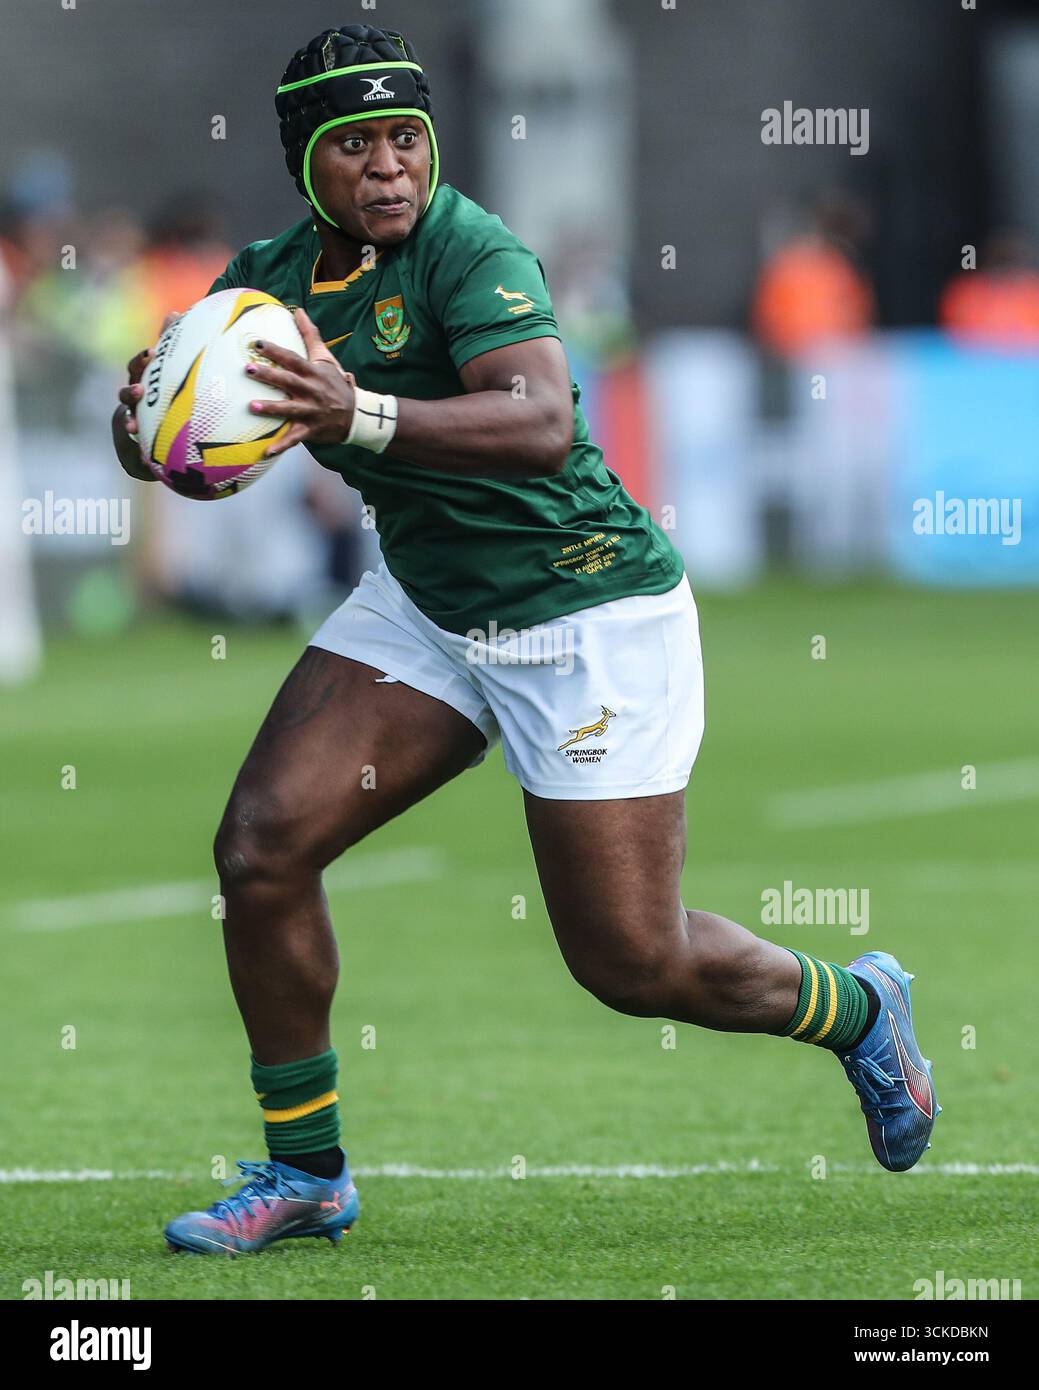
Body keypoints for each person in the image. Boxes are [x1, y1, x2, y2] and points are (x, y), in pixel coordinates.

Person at [112, 25, 939, 1256]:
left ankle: (858, 1007)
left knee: (632, 963)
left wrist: (362, 410)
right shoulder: (266, 287)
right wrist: (149, 433)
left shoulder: (470, 246)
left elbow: (541, 418)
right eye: (355, 145)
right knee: (262, 848)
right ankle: (306, 1173)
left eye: (406, 138)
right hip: (433, 608)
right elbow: (199, 465)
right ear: (305, 161)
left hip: (584, 614)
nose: (389, 168)